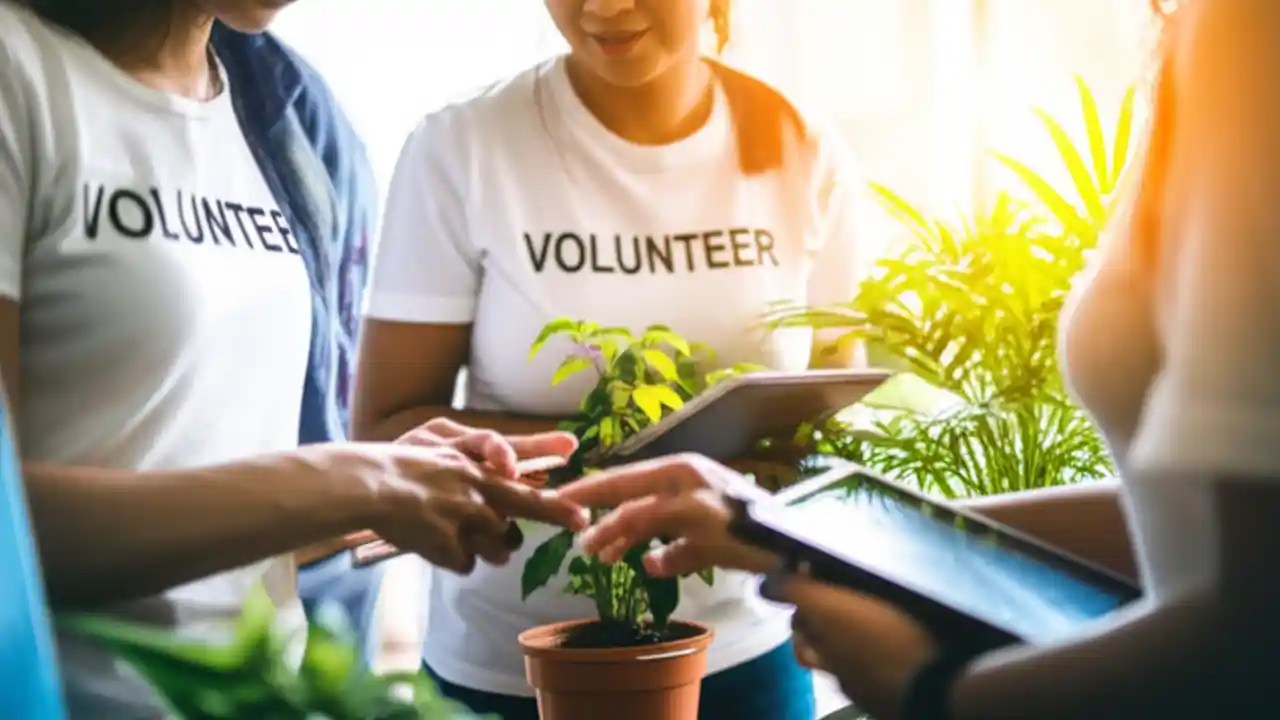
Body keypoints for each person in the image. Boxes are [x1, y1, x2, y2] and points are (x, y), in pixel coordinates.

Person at [559, 1, 1280, 717]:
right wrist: (792, 528)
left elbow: (1251, 633)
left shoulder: (1249, 34)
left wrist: (927, 693)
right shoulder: (1209, 32)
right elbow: (1184, 525)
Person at [0, 2, 587, 717]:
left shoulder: (267, 119)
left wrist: (392, 479)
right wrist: (348, 480)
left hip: (260, 693)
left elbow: (217, 493)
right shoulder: (20, 70)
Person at [353, 0, 878, 716]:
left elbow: (831, 413)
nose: (602, 7)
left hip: (747, 649)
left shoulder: (800, 146)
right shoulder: (463, 146)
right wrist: (628, 453)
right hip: (514, 667)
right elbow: (387, 432)